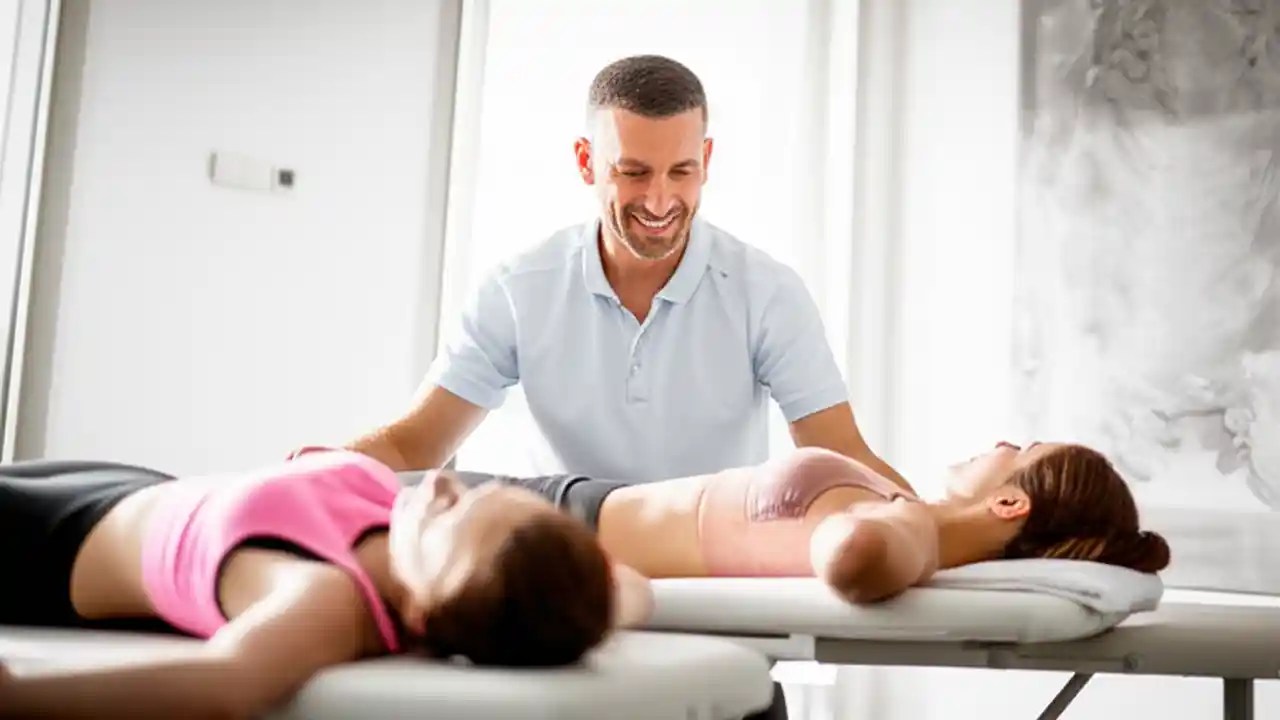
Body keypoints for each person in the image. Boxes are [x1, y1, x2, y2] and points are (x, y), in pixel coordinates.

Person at [332, 53, 911, 493]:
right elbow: (416, 442)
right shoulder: (518, 290)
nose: (659, 201)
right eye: (633, 173)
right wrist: (311, 477)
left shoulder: (767, 294)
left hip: (712, 569)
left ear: (706, 161)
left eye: (681, 172)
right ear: (587, 162)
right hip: (565, 567)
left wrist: (955, 528)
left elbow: (843, 457)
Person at [0, 451, 650, 720]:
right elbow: (627, 587)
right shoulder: (412, 538)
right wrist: (586, 608)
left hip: (45, 547)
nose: (448, 486)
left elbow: (229, 683)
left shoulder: (328, 601)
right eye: (484, 495)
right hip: (132, 484)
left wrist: (20, 692)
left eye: (449, 514)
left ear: (422, 615)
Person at [445, 440, 1171, 602]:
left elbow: (853, 555)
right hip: (554, 501)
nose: (1001, 444)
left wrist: (896, 526)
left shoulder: (906, 527)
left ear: (1012, 503)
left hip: (532, 522)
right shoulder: (903, 509)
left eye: (1021, 446)